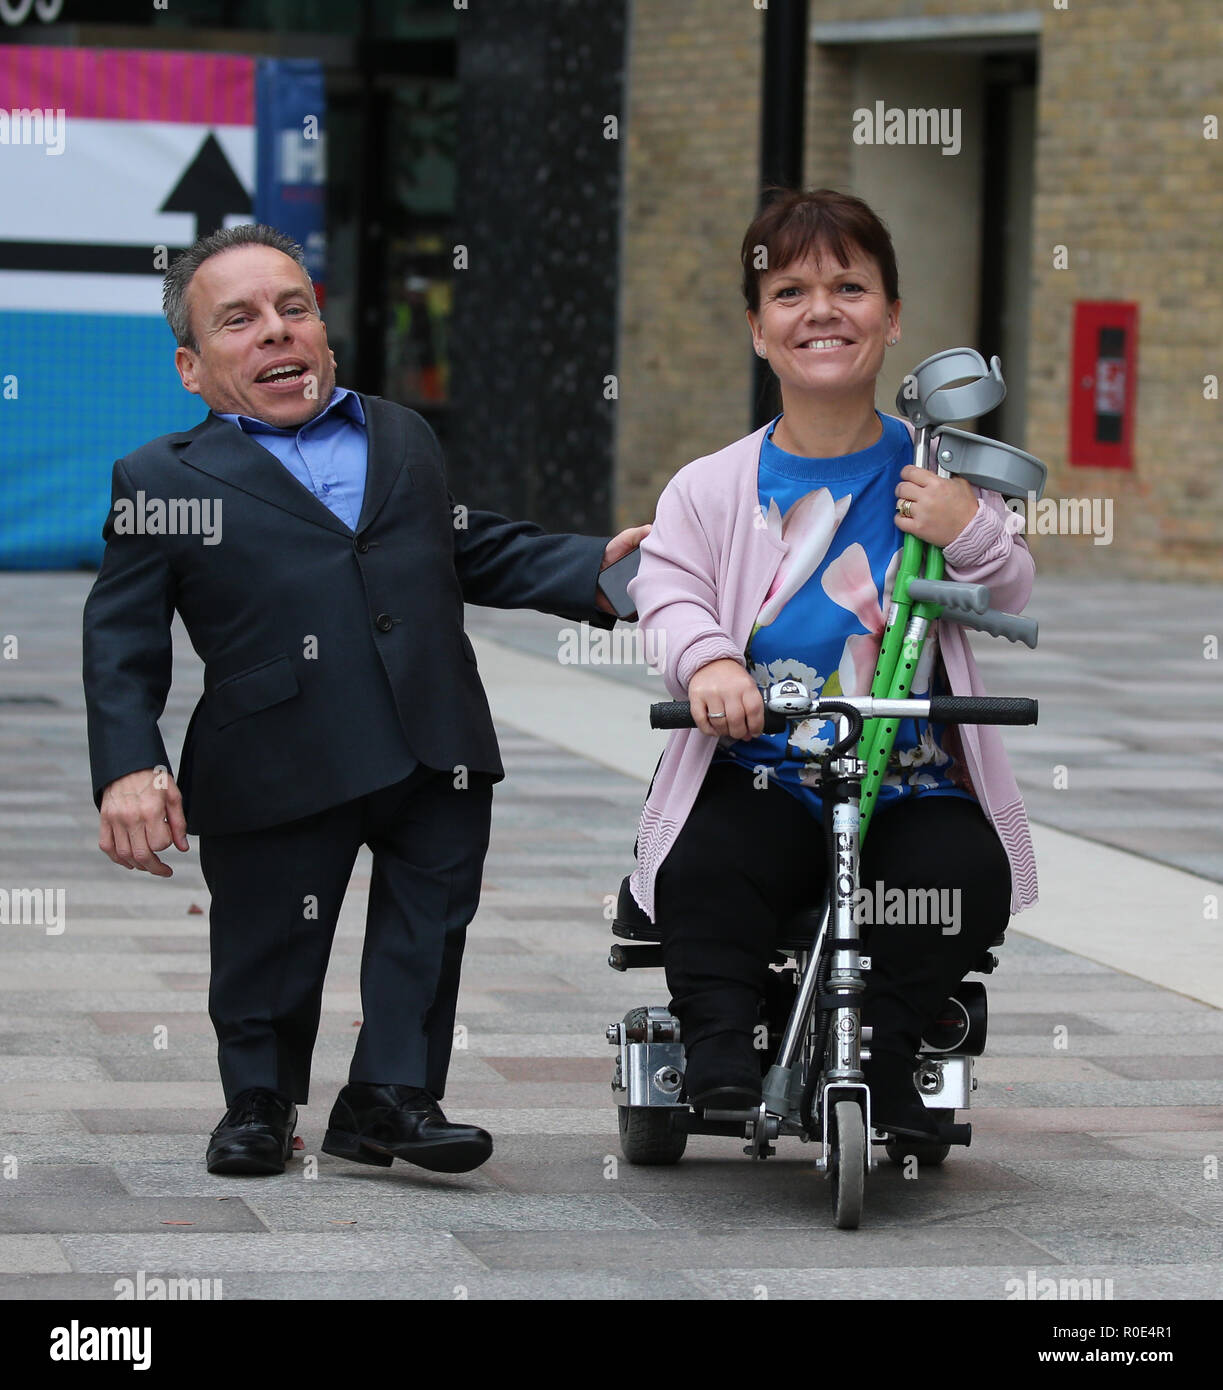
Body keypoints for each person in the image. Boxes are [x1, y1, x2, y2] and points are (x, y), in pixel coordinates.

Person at [82, 224, 647, 1176]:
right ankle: (259, 1101)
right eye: (240, 320)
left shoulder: (399, 432)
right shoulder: (161, 479)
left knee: (428, 924)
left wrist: (594, 571)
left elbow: (459, 545)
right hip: (274, 752)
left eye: (292, 308)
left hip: (435, 733)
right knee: (268, 939)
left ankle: (389, 1097)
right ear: (191, 365)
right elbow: (120, 638)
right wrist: (131, 765)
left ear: (325, 337)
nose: (275, 331)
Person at [626, 188, 1036, 1138]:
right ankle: (720, 1047)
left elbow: (1008, 589)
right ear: (757, 331)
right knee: (709, 868)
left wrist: (966, 526)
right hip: (762, 766)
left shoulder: (934, 474)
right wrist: (708, 665)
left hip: (909, 778)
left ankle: (886, 1059)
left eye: (849, 287)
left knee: (963, 873)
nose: (821, 309)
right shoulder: (711, 485)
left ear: (890, 319)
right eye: (789, 292)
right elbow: (669, 592)